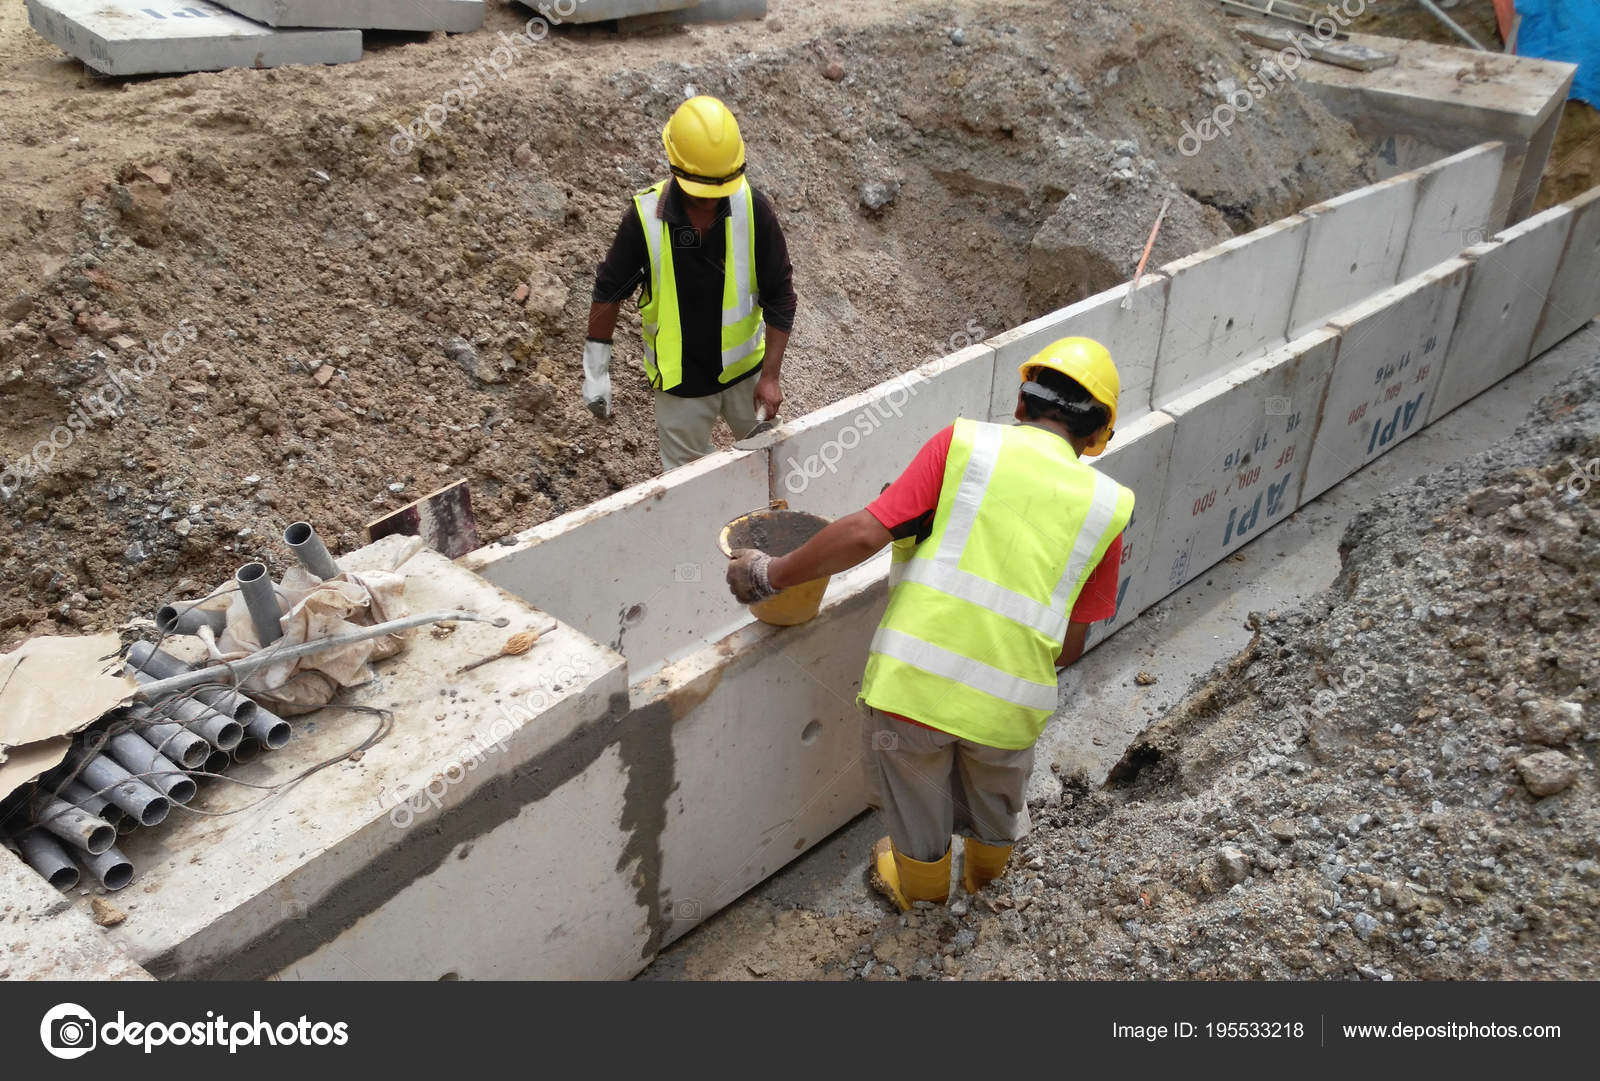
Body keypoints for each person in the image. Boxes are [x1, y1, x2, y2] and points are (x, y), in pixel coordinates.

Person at [725, 337, 1133, 910]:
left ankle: (923, 904)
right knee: (995, 811)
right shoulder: (1108, 506)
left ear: (1021, 403)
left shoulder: (964, 445)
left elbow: (864, 534)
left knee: (916, 808)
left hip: (911, 693)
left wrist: (771, 574)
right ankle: (985, 893)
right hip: (1010, 711)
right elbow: (1069, 646)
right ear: (1095, 436)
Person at [583, 95, 797, 472]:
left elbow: (780, 295)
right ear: (675, 167)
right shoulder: (644, 220)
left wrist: (770, 376)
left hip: (745, 376)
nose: (711, 202)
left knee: (775, 468)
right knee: (690, 488)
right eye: (702, 192)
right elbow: (609, 290)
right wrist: (596, 370)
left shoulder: (752, 209)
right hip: (680, 385)